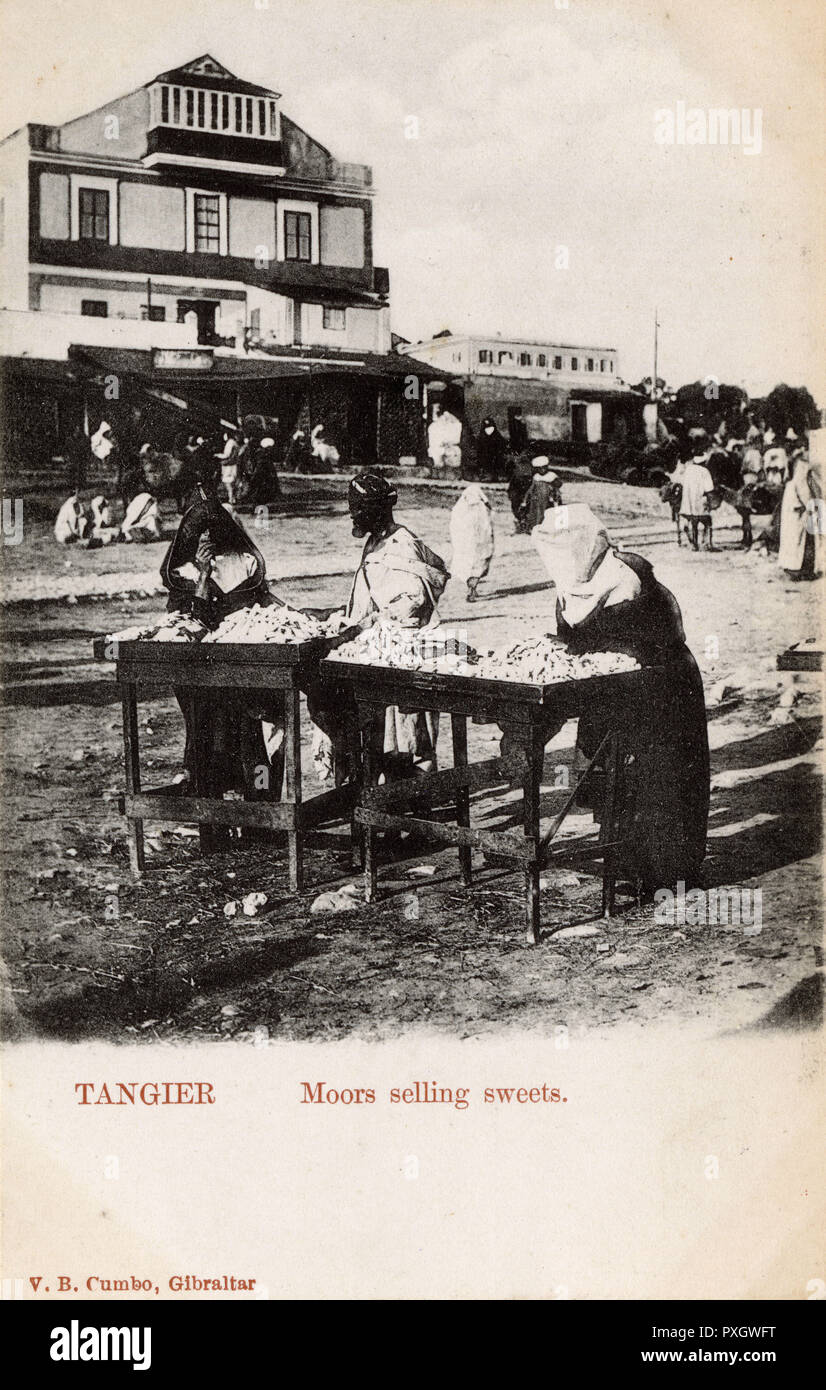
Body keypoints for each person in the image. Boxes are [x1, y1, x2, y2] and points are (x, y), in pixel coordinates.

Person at [532, 502, 709, 894]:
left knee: (659, 778)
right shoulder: (574, 585)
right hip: (611, 689)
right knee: (614, 776)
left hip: (661, 689)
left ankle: (668, 873)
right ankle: (626, 860)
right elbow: (575, 641)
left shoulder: (626, 580)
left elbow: (647, 645)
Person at [310, 469, 450, 782]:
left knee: (405, 744)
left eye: (359, 512)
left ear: (377, 510)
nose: (354, 519)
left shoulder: (401, 545)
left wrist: (360, 630)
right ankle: (373, 799)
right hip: (379, 649)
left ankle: (410, 816)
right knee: (373, 736)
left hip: (404, 654)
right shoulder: (377, 541)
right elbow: (369, 601)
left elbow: (409, 608)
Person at [160, 491, 284, 831]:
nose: (208, 540)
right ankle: (211, 826)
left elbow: (263, 608)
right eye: (200, 535)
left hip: (245, 676)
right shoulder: (184, 572)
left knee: (254, 749)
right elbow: (187, 622)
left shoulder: (245, 564)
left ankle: (262, 820)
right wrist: (202, 576)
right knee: (205, 747)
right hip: (204, 679)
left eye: (213, 532)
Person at [778, 441, 822, 581]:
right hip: (798, 503)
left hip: (791, 499)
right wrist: (811, 503)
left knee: (791, 536)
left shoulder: (793, 461)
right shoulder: (802, 464)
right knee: (803, 538)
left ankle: (793, 566)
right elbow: (802, 486)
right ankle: (800, 569)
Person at [450, 484, 495, 602]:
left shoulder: (460, 508)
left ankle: (471, 589)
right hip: (480, 545)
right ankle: (471, 590)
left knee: (468, 566)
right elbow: (487, 526)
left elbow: (455, 528)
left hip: (467, 546)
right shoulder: (481, 508)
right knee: (477, 566)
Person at [679, 430, 716, 550]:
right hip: (700, 503)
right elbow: (709, 489)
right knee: (708, 522)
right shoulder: (705, 471)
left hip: (689, 505)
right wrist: (711, 503)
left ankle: (694, 544)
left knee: (693, 524)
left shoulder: (688, 470)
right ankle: (707, 543)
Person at [518, 456, 562, 532]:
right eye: (540, 468)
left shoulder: (551, 476)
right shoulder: (536, 477)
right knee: (535, 513)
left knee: (548, 513)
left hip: (548, 499)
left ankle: (550, 528)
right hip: (536, 500)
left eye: (544, 467)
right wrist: (525, 500)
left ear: (547, 467)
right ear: (537, 469)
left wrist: (554, 490)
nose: (542, 470)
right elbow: (531, 489)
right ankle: (535, 528)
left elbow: (558, 486)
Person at [473, 417, 508, 481]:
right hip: (485, 460)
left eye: (491, 427)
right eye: (486, 428)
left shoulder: (498, 437)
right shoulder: (480, 438)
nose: (489, 430)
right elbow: (478, 451)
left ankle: (499, 474)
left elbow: (502, 447)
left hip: (497, 459)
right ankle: (487, 475)